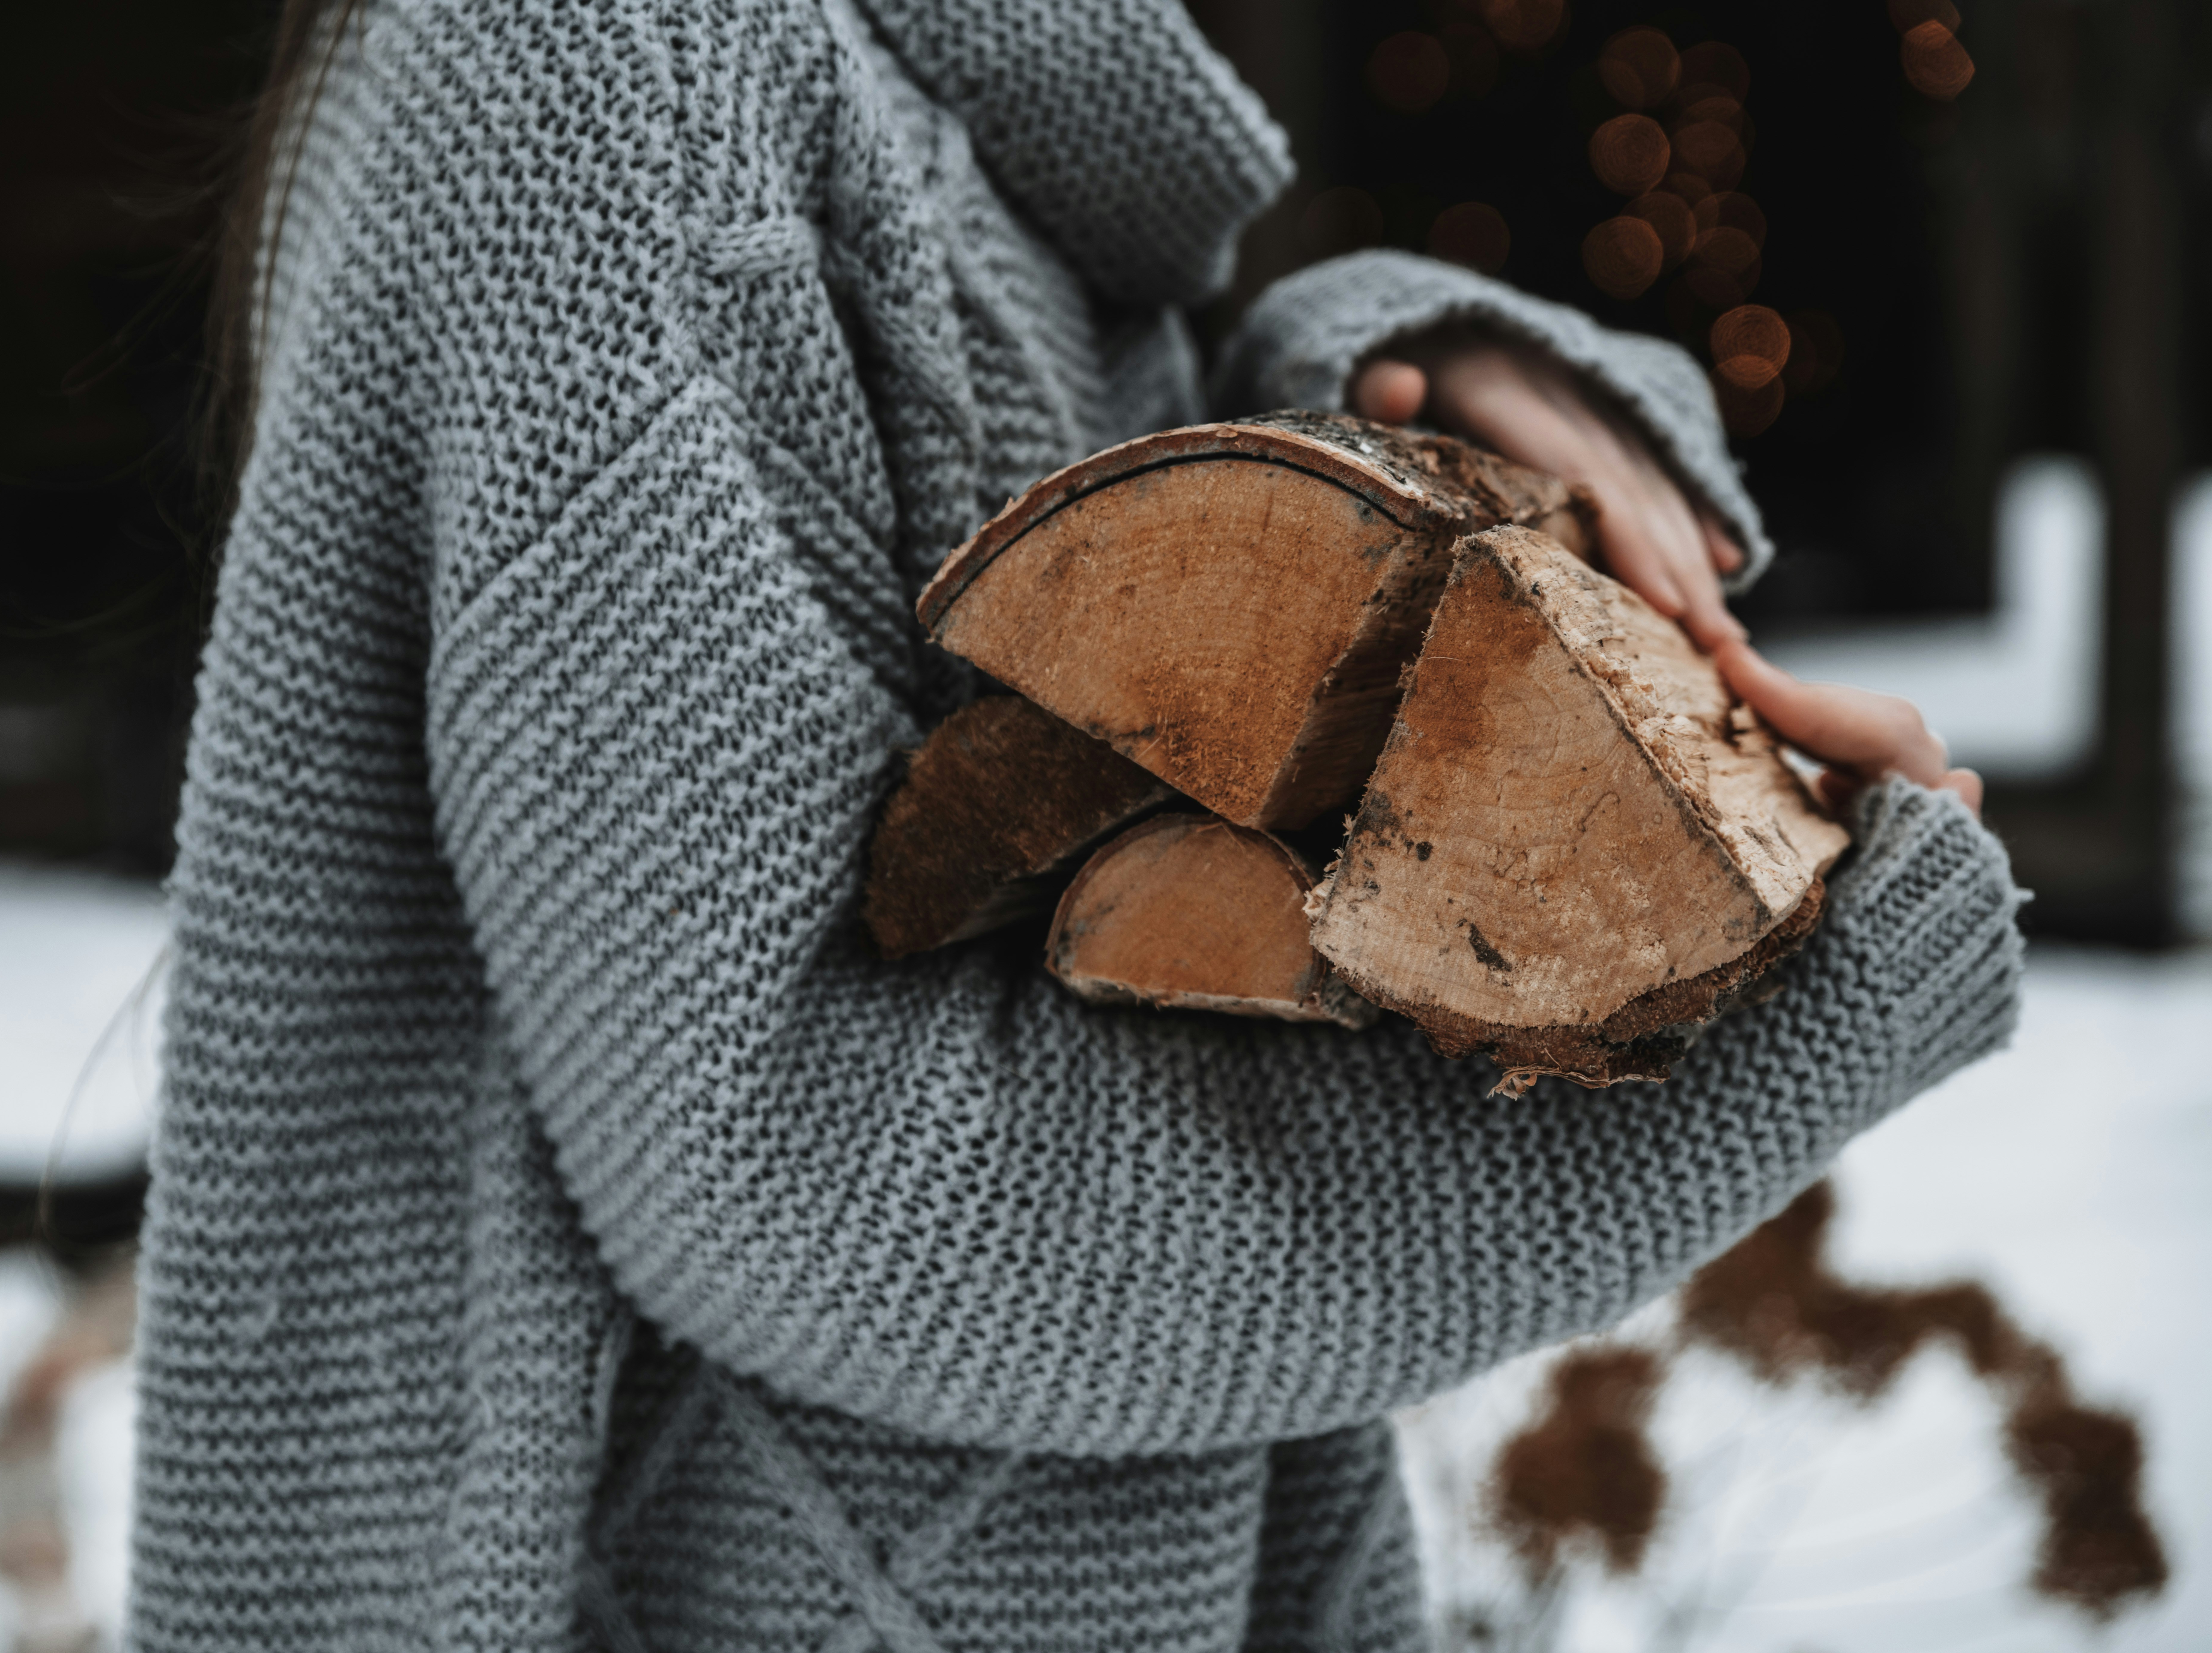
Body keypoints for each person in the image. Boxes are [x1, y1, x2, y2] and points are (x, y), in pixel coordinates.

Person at [129, 1, 2018, 1647]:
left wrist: (1402, 377)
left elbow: (1083, 633)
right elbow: (797, 1166)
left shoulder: (939, 72)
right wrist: (1799, 1004)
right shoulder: (605, 69)